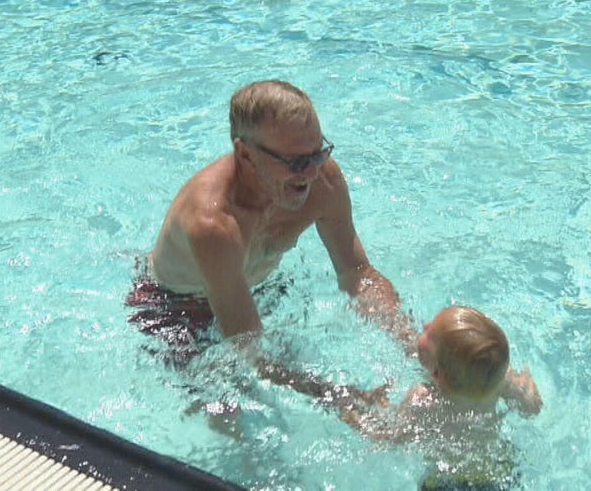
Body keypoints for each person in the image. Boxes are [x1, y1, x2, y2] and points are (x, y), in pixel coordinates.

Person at [131, 80, 415, 363]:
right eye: (295, 162)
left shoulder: (323, 180)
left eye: (318, 153)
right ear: (245, 155)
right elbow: (248, 349)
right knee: (228, 402)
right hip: (176, 308)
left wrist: (411, 345)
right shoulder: (213, 224)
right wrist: (338, 395)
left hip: (254, 288)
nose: (312, 171)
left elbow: (356, 272)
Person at [326, 306, 542, 490]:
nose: (425, 325)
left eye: (428, 335)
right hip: (499, 473)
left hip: (444, 483)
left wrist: (356, 417)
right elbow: (533, 407)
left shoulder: (423, 400)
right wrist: (527, 386)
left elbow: (392, 436)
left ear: (437, 375)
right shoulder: (501, 381)